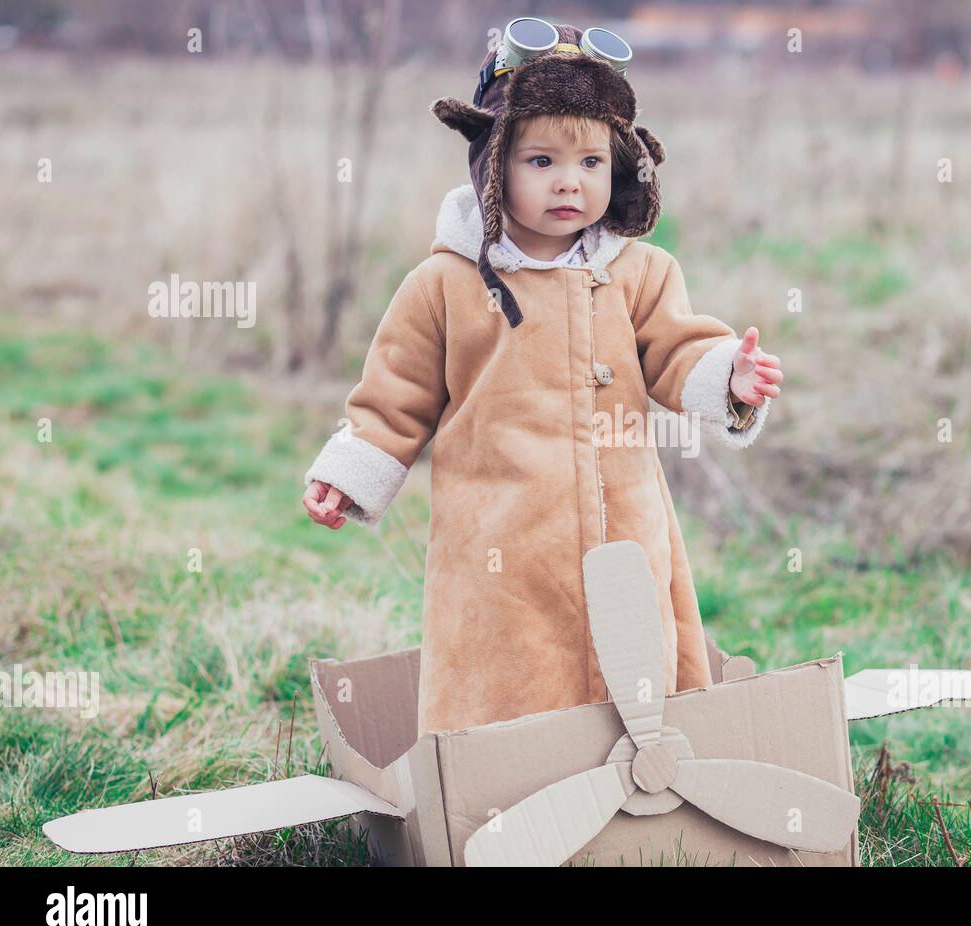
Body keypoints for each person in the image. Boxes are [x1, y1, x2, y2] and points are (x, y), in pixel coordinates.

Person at [301, 24, 783, 737]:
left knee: (633, 671)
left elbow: (677, 350)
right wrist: (350, 473)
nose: (569, 181)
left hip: (625, 531)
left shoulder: (639, 273)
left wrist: (729, 378)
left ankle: (644, 784)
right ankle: (499, 785)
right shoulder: (445, 284)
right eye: (541, 160)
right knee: (507, 673)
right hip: (499, 542)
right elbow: (393, 397)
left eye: (591, 161)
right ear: (492, 165)